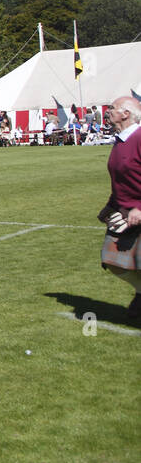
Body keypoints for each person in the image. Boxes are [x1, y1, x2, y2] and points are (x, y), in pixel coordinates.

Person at [99, 96, 141, 318]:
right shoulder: (120, 140)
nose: (108, 112)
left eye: (112, 108)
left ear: (126, 114)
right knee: (112, 260)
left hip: (138, 212)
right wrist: (110, 207)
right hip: (122, 211)